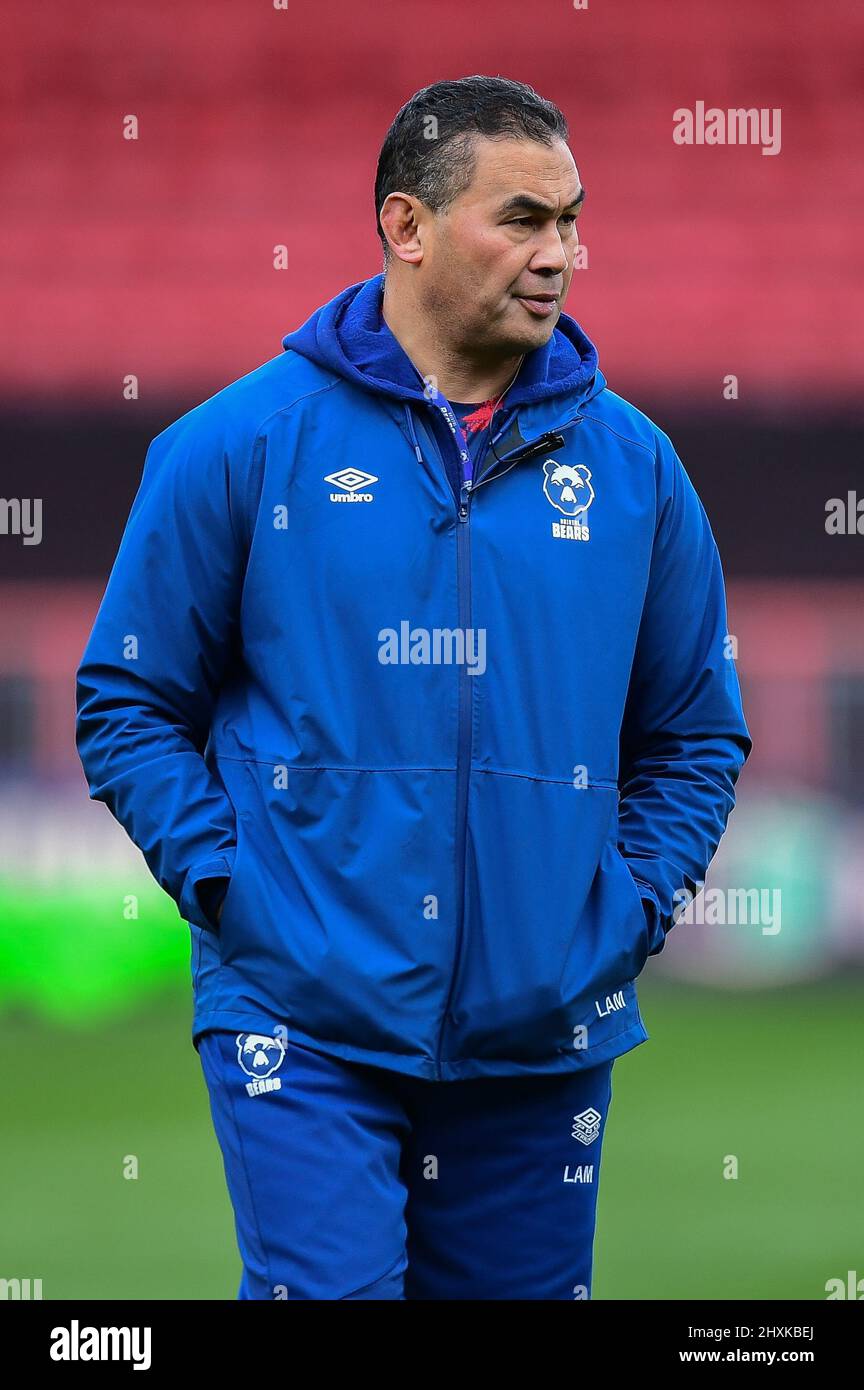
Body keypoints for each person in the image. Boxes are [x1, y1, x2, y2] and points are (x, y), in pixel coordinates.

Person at [75, 75, 752, 1300]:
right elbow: (128, 702)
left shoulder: (640, 471)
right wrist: (234, 887)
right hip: (301, 1015)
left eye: (573, 220)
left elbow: (696, 734)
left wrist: (622, 912)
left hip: (543, 1032)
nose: (563, 253)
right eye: (526, 219)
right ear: (407, 227)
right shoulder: (238, 445)